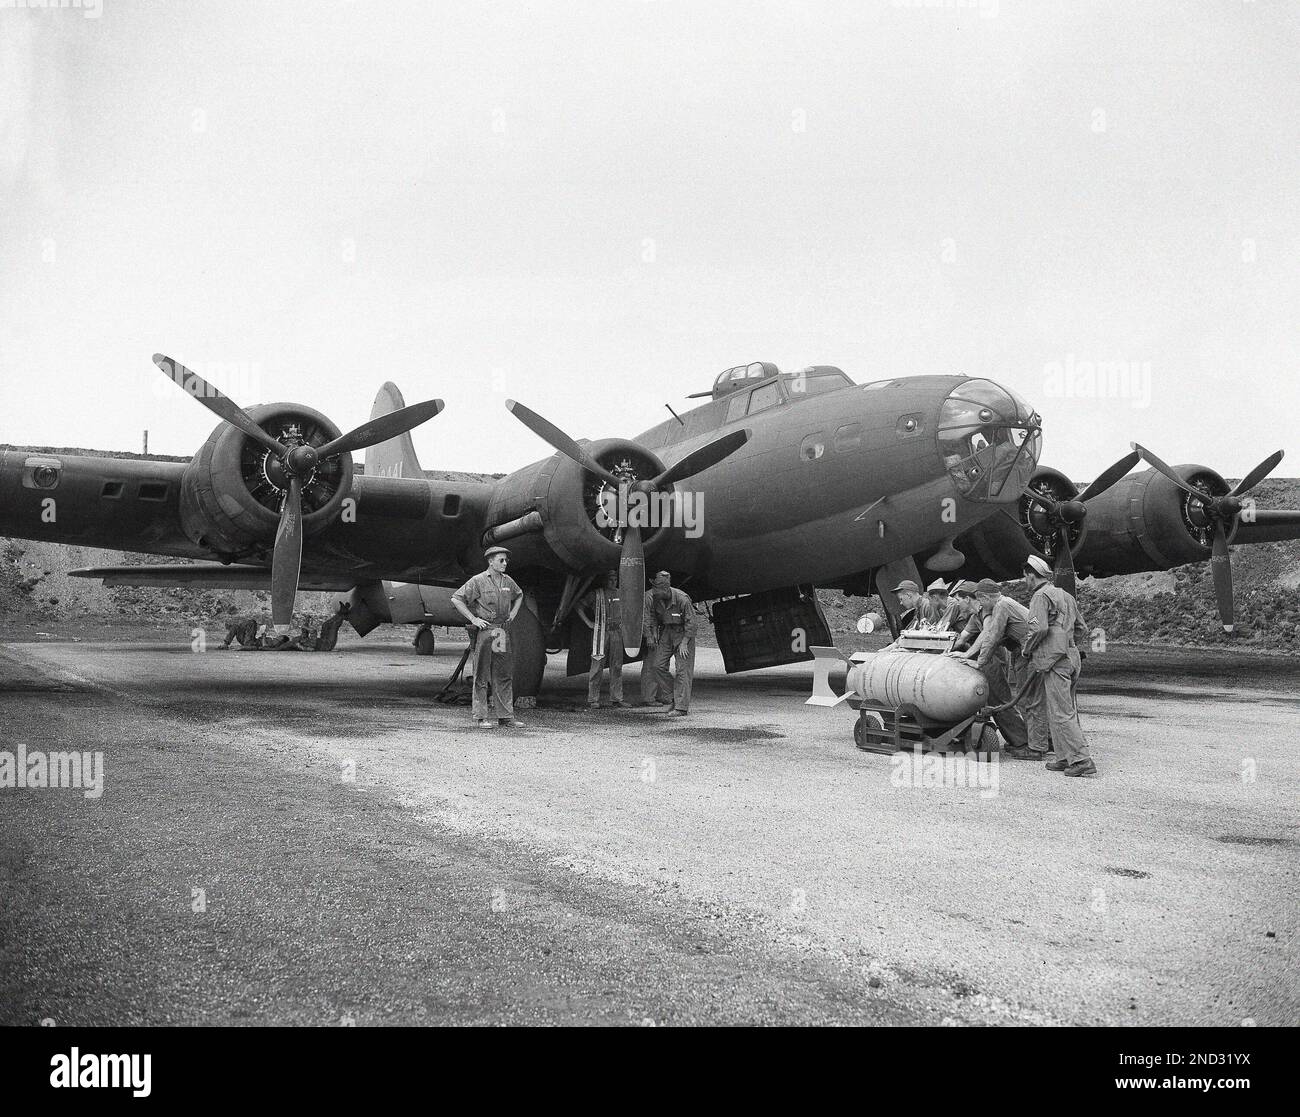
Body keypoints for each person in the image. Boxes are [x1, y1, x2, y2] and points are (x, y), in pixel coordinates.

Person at [1021, 555, 1096, 776]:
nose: (1024, 581)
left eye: (1025, 577)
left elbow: (1038, 628)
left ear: (1031, 575)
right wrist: (1067, 643)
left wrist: (1028, 649)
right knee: (1060, 710)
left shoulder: (1039, 596)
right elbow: (1082, 627)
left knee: (1062, 713)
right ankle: (1064, 757)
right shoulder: (1065, 595)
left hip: (1055, 662)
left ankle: (1082, 760)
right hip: (1072, 658)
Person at [947, 578, 1035, 758]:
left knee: (1007, 700)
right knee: (1007, 699)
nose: (956, 605)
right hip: (1006, 655)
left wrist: (968, 656)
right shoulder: (975, 617)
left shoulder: (988, 612)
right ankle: (1024, 740)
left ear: (969, 599)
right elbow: (962, 638)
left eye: (958, 600)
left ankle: (1025, 741)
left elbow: (989, 634)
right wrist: (942, 651)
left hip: (1010, 656)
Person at [451, 546, 526, 729]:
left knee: (503, 674)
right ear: (490, 561)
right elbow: (456, 598)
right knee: (481, 675)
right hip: (486, 631)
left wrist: (514, 613)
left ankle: (506, 717)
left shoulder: (508, 581)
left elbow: (519, 594)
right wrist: (473, 619)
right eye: (501, 560)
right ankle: (480, 717)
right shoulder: (478, 581)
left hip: (501, 632)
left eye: (506, 560)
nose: (505, 563)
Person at [639, 571, 697, 716]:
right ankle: (673, 697)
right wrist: (650, 634)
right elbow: (652, 616)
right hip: (667, 632)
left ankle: (681, 708)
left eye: (657, 589)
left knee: (682, 670)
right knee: (657, 665)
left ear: (665, 589)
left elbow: (692, 623)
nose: (654, 592)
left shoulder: (682, 599)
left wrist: (684, 642)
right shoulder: (656, 598)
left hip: (683, 634)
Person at [577, 572, 624, 709]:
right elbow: (579, 606)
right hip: (601, 633)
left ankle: (617, 698)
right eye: (610, 579)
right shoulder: (596, 594)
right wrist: (588, 623)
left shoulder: (621, 593)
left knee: (617, 666)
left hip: (616, 632)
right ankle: (593, 699)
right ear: (604, 580)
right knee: (597, 666)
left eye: (615, 579)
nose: (613, 582)